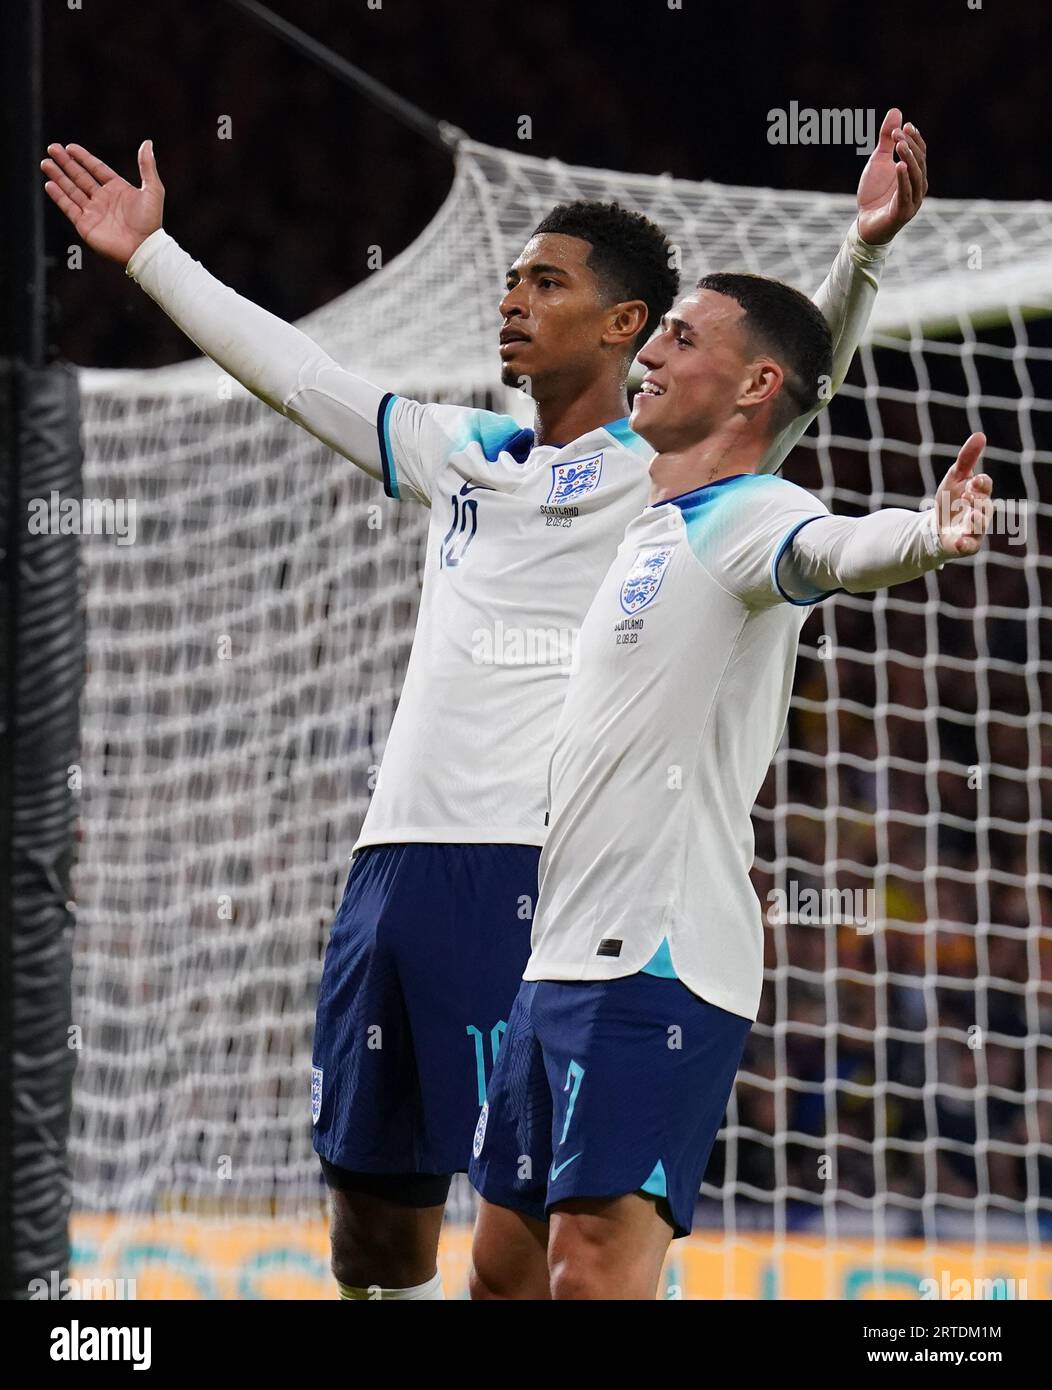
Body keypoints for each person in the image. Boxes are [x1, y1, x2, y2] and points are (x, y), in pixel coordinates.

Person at [41, 109, 927, 1299]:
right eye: (510, 279)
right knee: (372, 1235)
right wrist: (153, 254)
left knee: (549, 1245)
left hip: (531, 872)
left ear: (625, 325)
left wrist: (859, 254)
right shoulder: (468, 453)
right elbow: (301, 379)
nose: (509, 299)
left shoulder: (664, 472)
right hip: (390, 873)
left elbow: (782, 391)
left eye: (543, 282)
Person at [467, 264, 993, 1300]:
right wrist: (860, 249)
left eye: (677, 337)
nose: (647, 352)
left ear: (753, 387)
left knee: (588, 1278)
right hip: (558, 957)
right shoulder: (651, 521)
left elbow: (830, 550)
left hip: (654, 963)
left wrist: (925, 535)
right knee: (499, 1279)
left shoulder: (754, 513)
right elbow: (802, 377)